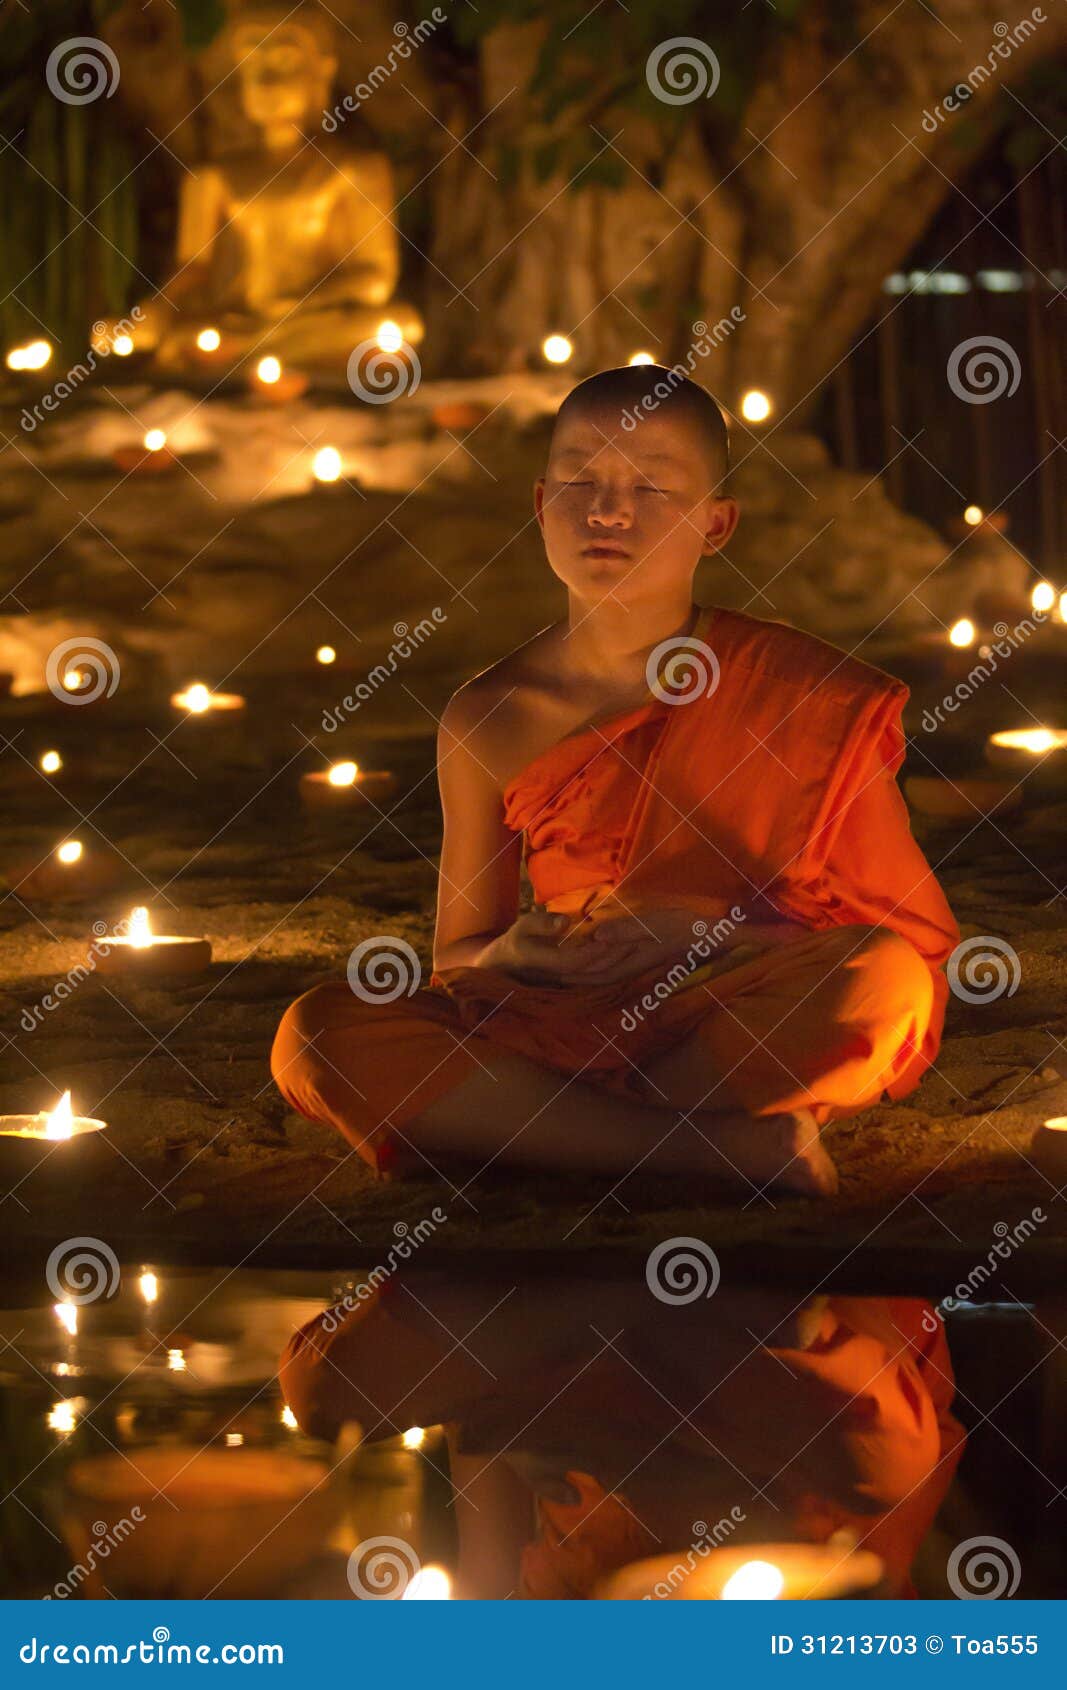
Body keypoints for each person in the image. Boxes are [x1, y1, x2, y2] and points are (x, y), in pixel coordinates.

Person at [271, 365, 959, 1198]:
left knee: (882, 983)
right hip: (549, 1017)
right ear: (538, 502)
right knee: (316, 1033)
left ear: (716, 523)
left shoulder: (795, 693)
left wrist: (707, 939)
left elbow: (906, 943)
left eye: (653, 486)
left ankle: (557, 1136)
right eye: (580, 479)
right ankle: (704, 1150)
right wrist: (512, 953)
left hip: (717, 1007)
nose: (607, 510)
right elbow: (458, 955)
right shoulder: (491, 713)